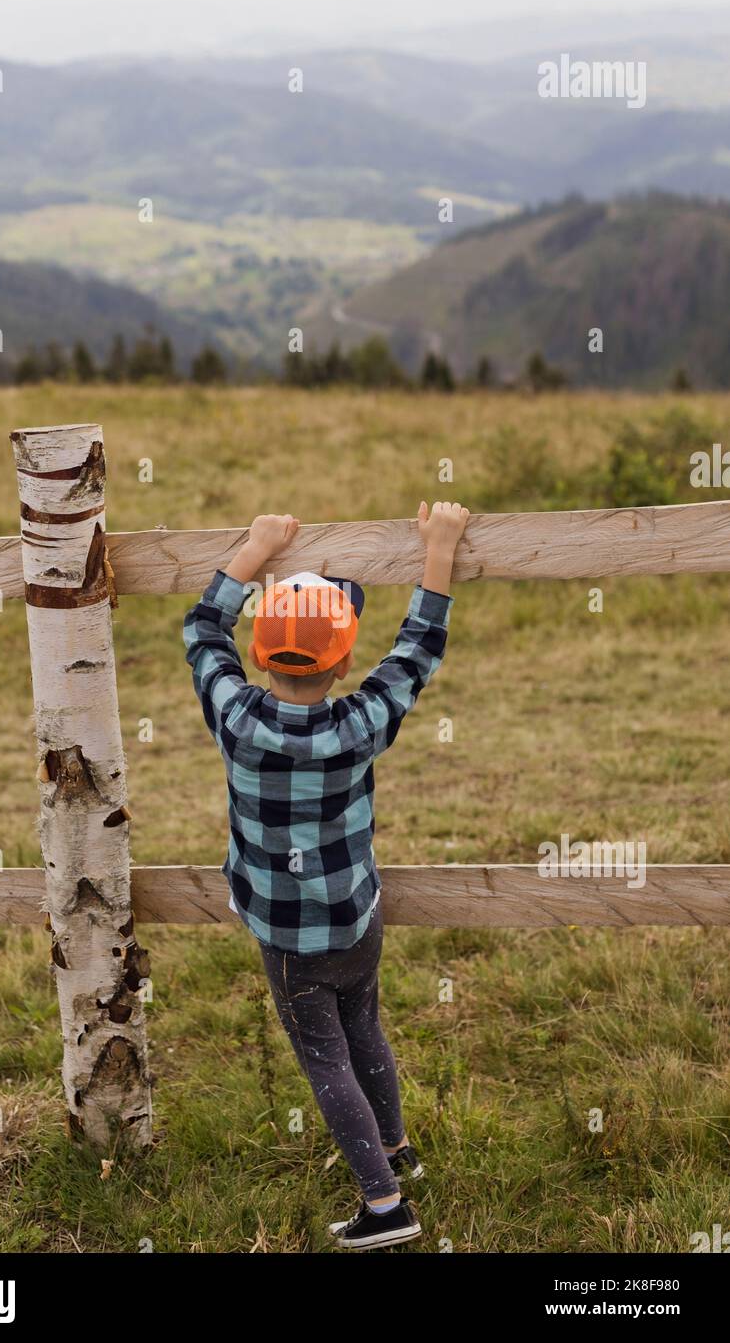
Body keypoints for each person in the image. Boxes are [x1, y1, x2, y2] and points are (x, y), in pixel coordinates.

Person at [183, 500, 470, 1249]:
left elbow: (201, 630)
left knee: (323, 1056)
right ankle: (399, 1151)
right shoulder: (361, 722)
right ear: (344, 663)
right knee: (364, 1024)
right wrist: (438, 548)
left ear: (261, 654)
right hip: (356, 917)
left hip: (288, 934)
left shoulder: (237, 720)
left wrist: (255, 548)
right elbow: (418, 648)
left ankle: (385, 1205)